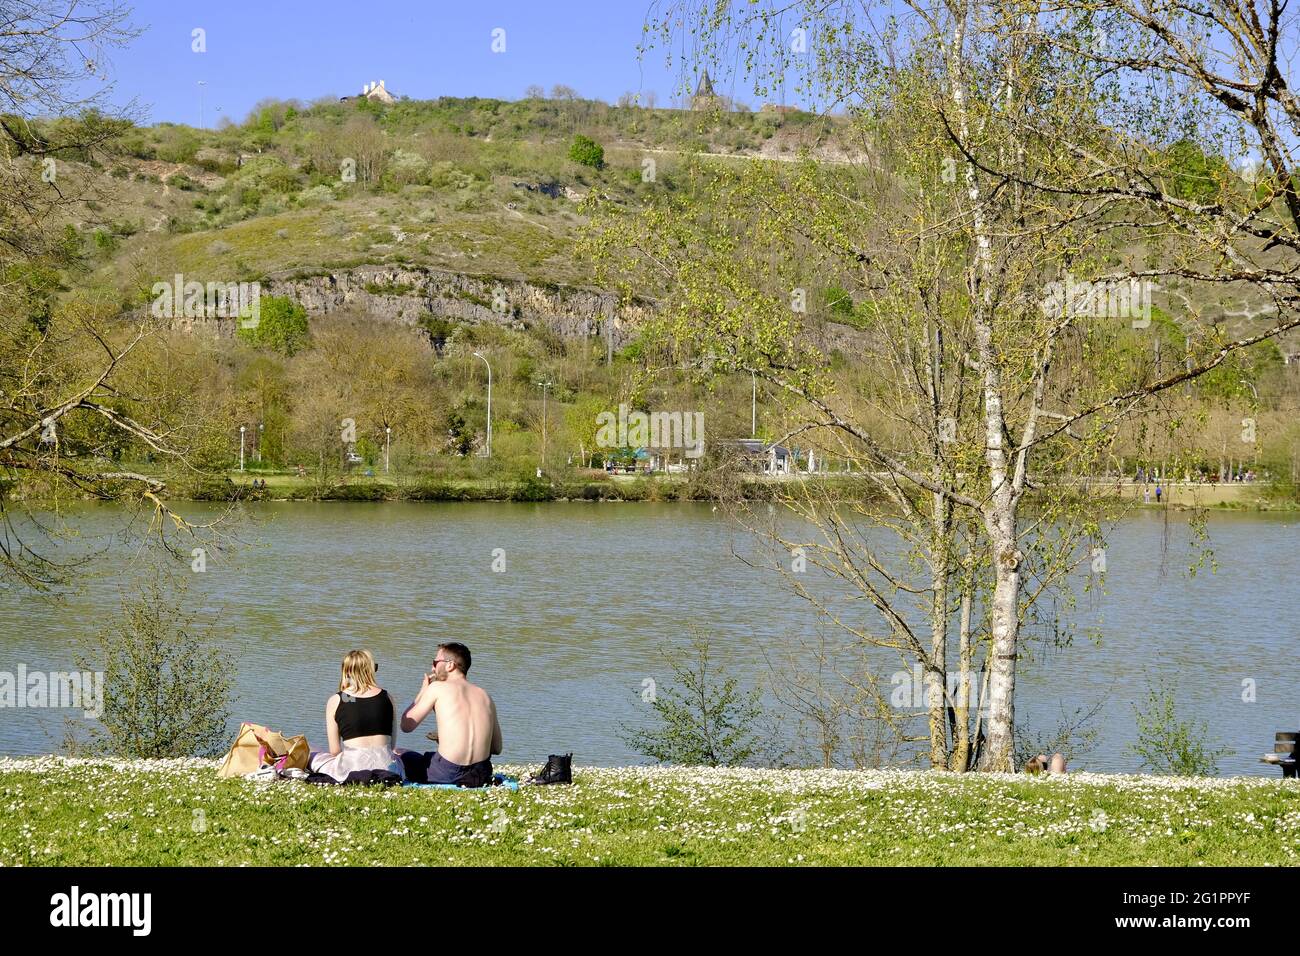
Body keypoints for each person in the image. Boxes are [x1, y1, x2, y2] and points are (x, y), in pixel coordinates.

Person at [398, 642, 502, 787]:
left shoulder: (437, 688)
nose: (432, 668)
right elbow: (497, 748)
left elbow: (406, 725)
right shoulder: (485, 696)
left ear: (450, 665)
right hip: (480, 773)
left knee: (398, 754)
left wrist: (422, 691)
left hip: (446, 772)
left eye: (435, 662)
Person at [309, 650, 404, 783]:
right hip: (388, 769)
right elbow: (392, 745)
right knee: (401, 752)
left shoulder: (337, 700)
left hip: (352, 769)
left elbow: (335, 751)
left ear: (346, 672)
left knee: (311, 750)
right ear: (370, 671)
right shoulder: (387, 697)